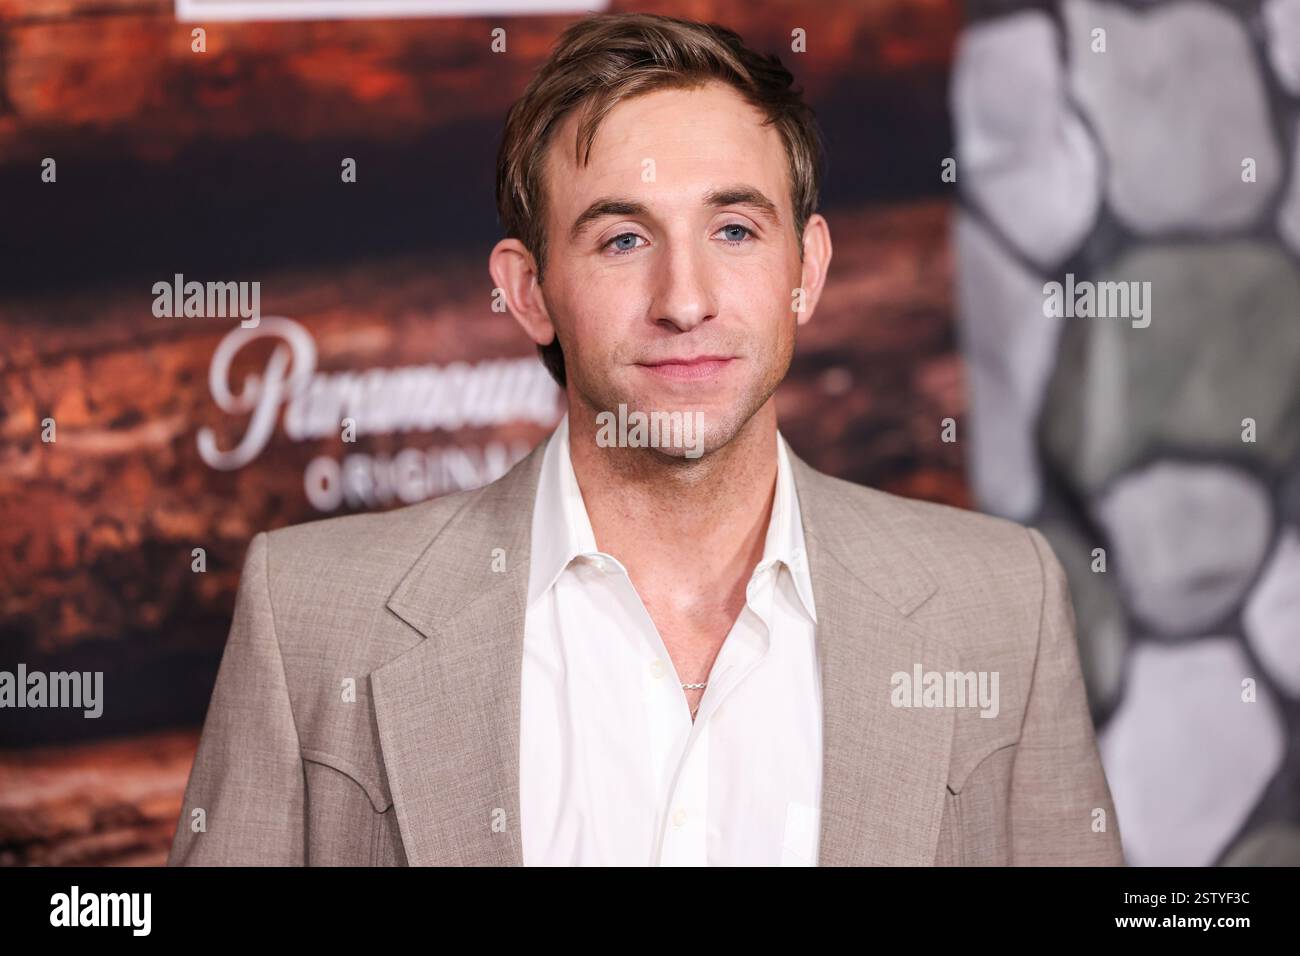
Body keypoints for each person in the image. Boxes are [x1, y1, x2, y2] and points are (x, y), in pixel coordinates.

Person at [168, 12, 1122, 866]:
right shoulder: (311, 616)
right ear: (530, 290)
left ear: (809, 269)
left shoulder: (1001, 605)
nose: (686, 301)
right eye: (623, 239)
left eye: (737, 231)